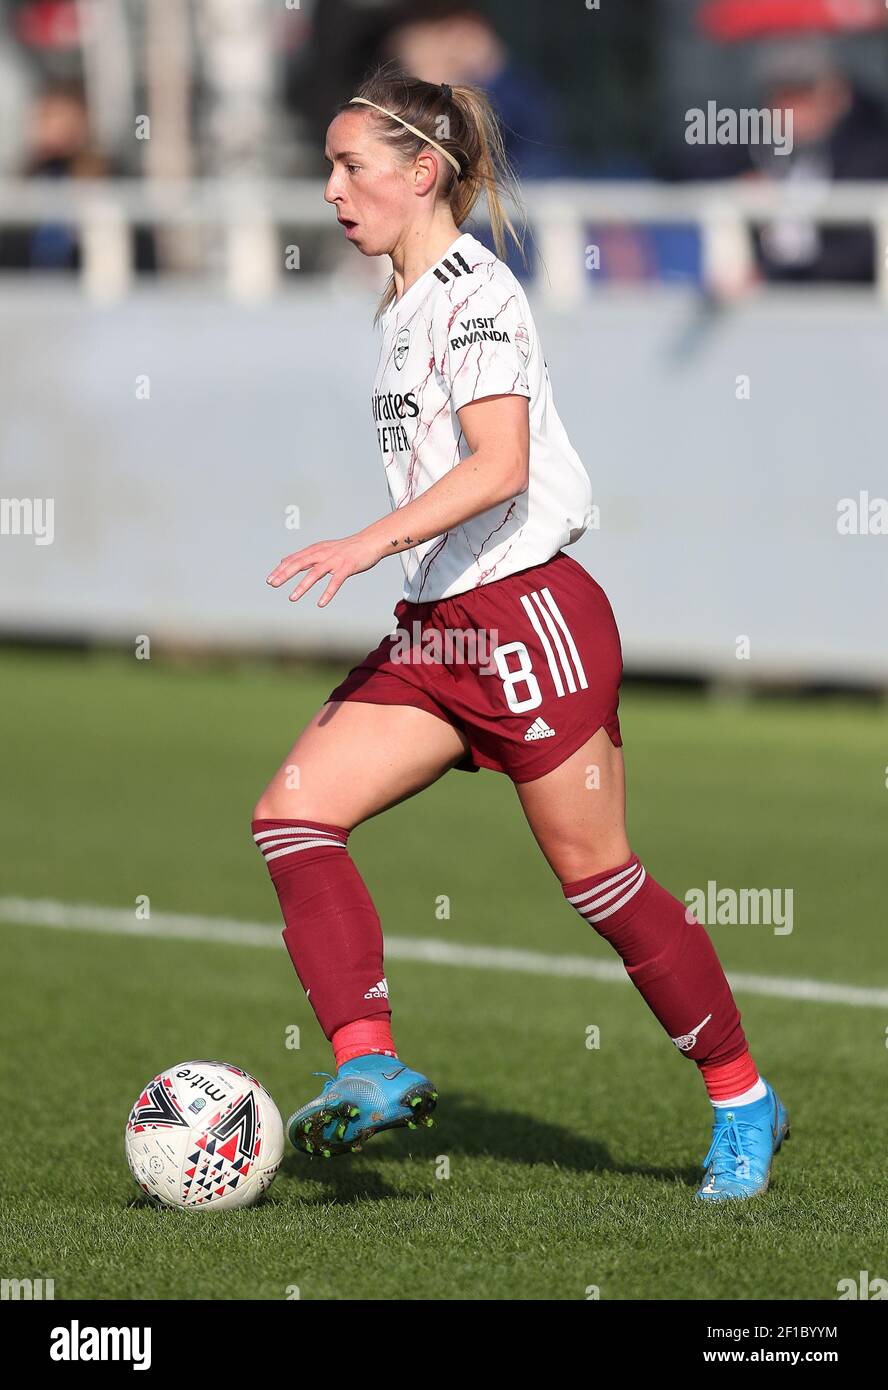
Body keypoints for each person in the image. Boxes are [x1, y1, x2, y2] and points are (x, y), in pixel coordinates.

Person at [252, 64, 789, 1200]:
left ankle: (742, 1095)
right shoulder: (400, 299)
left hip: (527, 614)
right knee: (294, 816)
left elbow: (502, 471)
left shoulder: (475, 291)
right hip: (440, 629)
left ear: (421, 170)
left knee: (599, 879)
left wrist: (363, 540)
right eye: (331, 166)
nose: (334, 190)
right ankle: (369, 1064)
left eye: (353, 167)